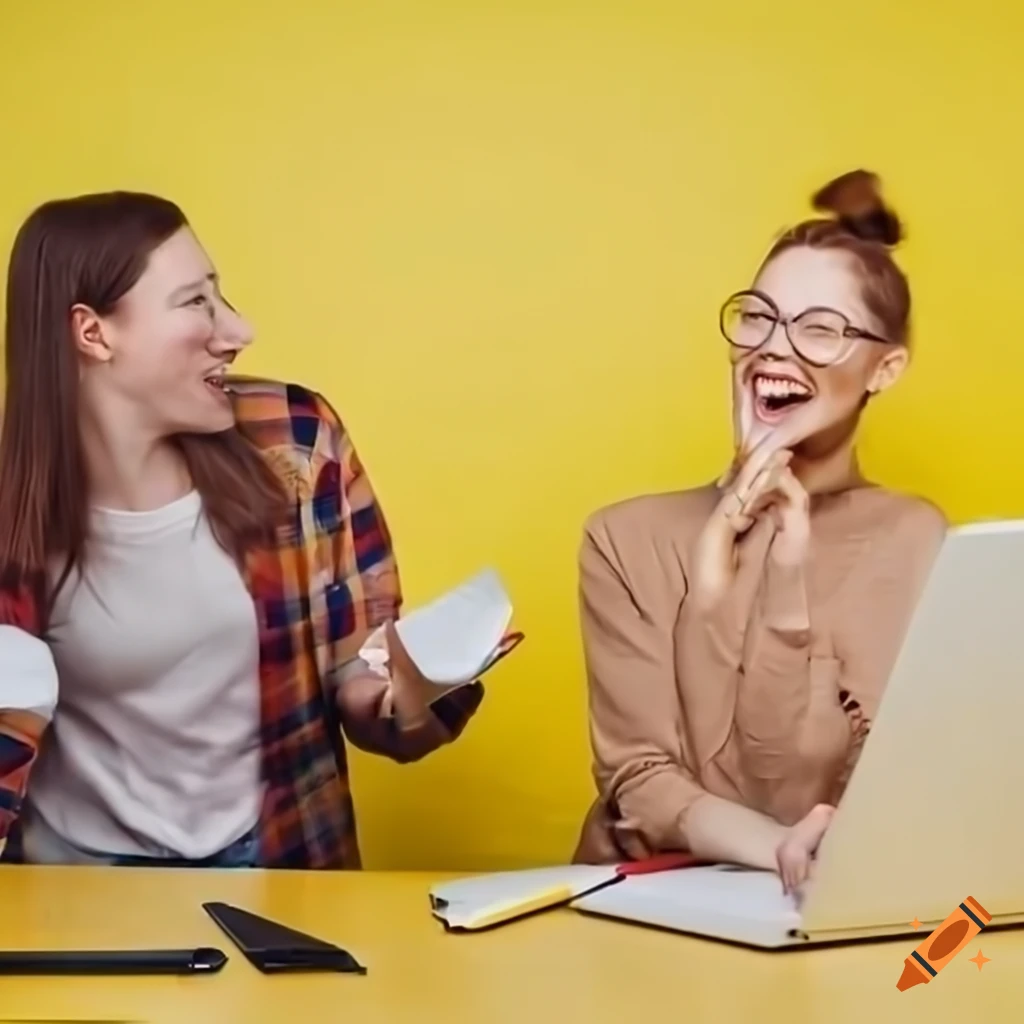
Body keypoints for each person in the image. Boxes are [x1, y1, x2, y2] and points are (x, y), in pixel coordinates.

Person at [0, 191, 483, 869]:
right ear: (94, 333)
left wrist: (412, 687)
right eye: (196, 302)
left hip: (275, 867)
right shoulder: (12, 509)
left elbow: (362, 671)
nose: (237, 328)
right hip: (70, 891)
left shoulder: (297, 442)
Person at [573, 170, 947, 892]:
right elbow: (647, 785)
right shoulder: (623, 538)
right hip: (649, 906)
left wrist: (785, 588)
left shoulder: (913, 539)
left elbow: (821, 786)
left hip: (825, 909)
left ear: (885, 368)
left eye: (820, 330)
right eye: (759, 317)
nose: (774, 349)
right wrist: (719, 569)